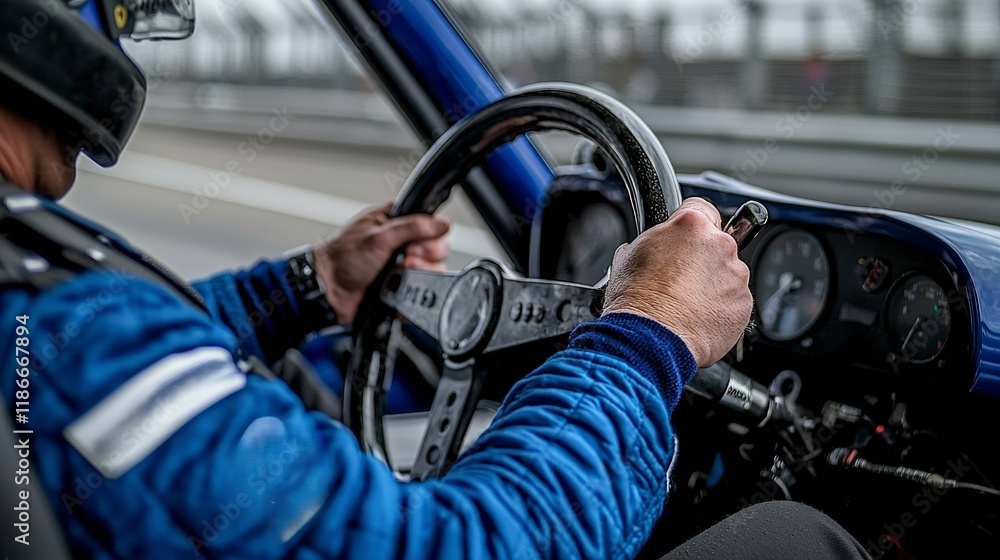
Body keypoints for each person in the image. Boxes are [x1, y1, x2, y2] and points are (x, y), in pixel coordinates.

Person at [0, 1, 871, 558]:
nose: (120, 49)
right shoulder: (73, 343)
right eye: (113, 13)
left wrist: (301, 289)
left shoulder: (43, 304)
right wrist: (647, 337)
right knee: (800, 540)